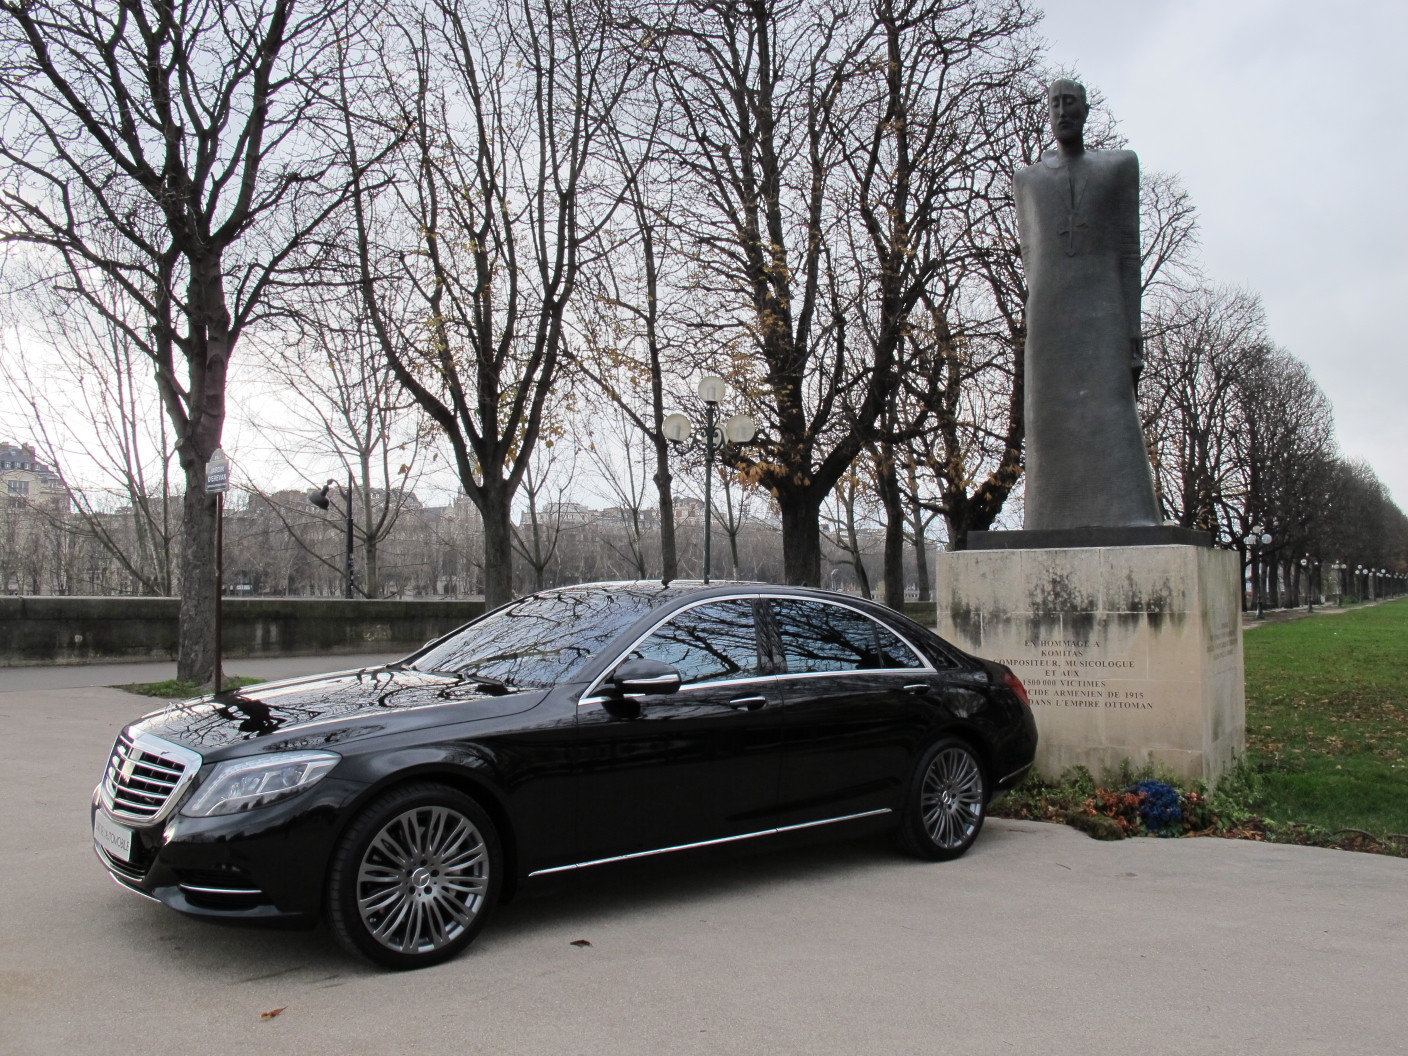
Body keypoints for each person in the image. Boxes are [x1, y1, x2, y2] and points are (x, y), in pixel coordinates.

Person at [1015, 78, 1160, 530]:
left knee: (1113, 411)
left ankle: (1131, 517)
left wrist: (1133, 330)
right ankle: (1048, 519)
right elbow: (1030, 257)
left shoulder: (1119, 167)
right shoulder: (1028, 179)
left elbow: (1128, 249)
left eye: (1071, 103)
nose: (1063, 112)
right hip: (1049, 319)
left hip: (1103, 312)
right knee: (1047, 421)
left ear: (1086, 110)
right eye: (1055, 103)